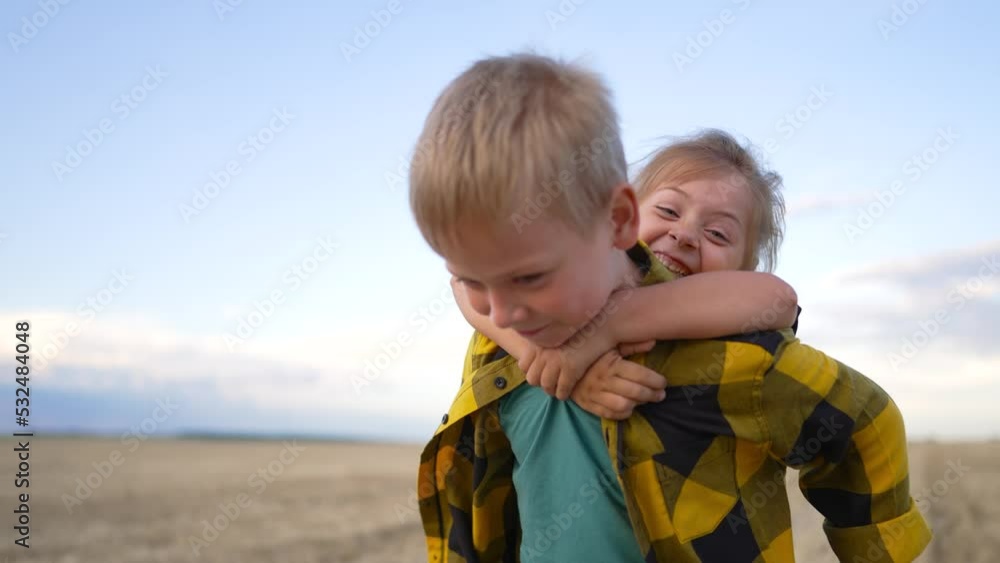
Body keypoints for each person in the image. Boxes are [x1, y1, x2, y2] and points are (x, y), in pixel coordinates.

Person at [410, 53, 931, 562]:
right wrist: (547, 361)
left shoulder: (738, 360)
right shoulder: (510, 327)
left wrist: (874, 548)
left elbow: (863, 419)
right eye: (668, 209)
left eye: (718, 233)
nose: (683, 235)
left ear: (617, 219)